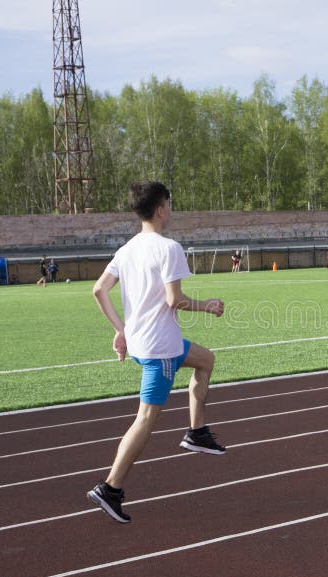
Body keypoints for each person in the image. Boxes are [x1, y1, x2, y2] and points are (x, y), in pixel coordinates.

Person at [87, 181, 226, 523]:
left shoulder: (128, 249)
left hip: (154, 341)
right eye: (170, 203)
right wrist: (208, 305)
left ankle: (196, 432)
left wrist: (120, 330)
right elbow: (173, 299)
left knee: (205, 361)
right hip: (159, 349)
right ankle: (110, 488)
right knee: (146, 419)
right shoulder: (169, 248)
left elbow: (98, 290)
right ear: (162, 208)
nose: (171, 209)